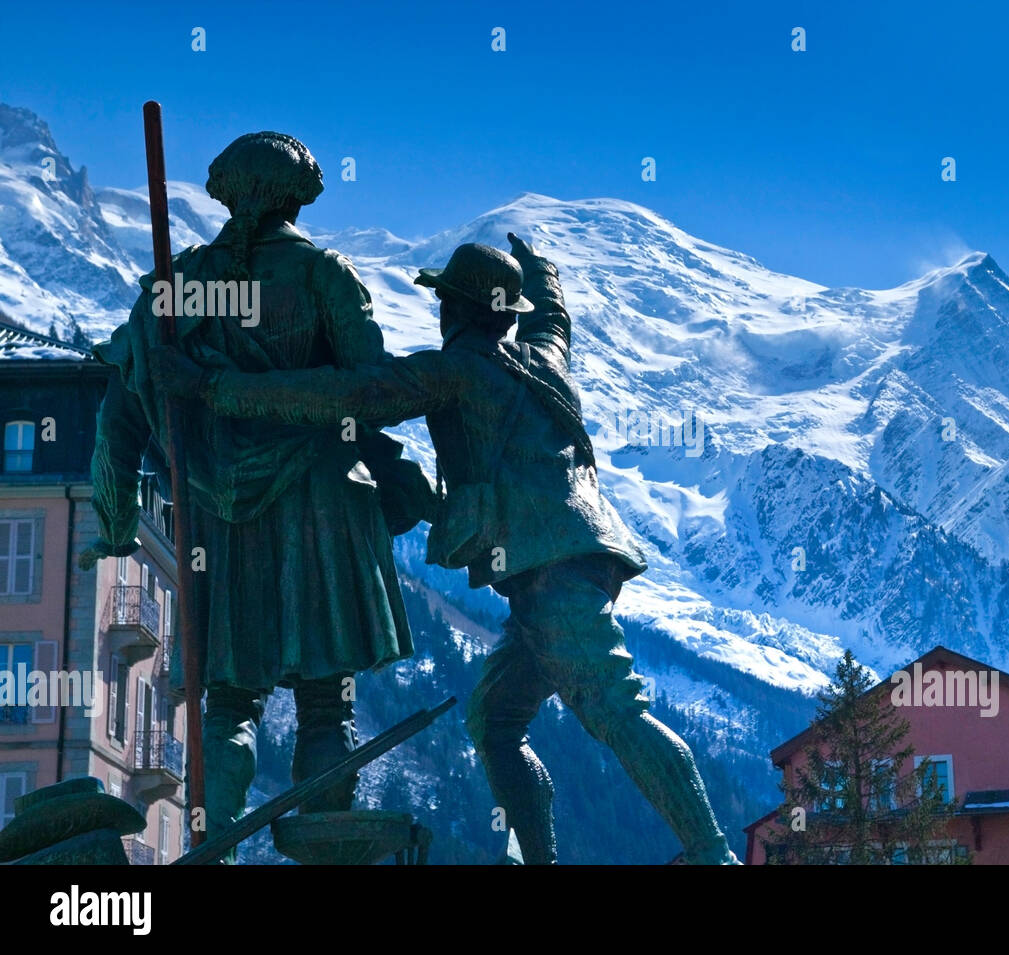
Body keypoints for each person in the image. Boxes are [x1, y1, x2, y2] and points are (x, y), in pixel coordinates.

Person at [152, 234, 739, 864]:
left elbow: (343, 396)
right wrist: (539, 269)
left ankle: (714, 857)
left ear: (451, 309)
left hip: (551, 571)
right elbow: (555, 318)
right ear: (506, 314)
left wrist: (212, 387)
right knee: (495, 724)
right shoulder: (544, 357)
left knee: (618, 709)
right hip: (569, 563)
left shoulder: (453, 371)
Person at [85, 131, 420, 860]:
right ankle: (328, 850)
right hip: (322, 507)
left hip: (221, 523)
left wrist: (114, 525)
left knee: (230, 702)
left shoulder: (181, 288)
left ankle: (209, 850)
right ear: (296, 196)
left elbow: (120, 411)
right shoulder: (327, 276)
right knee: (325, 697)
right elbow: (377, 391)